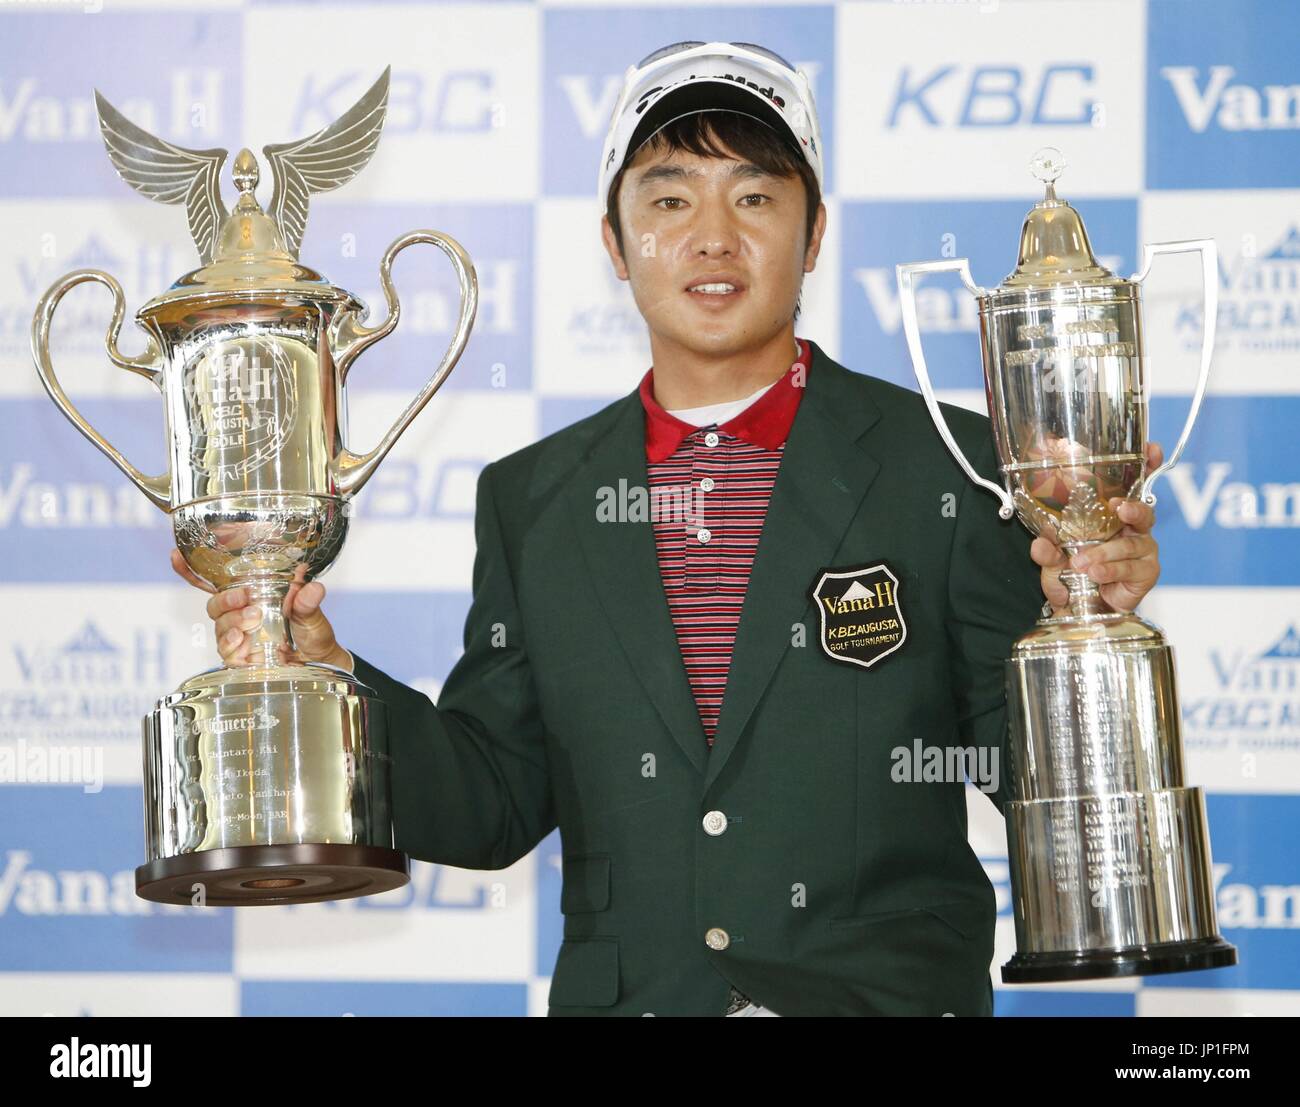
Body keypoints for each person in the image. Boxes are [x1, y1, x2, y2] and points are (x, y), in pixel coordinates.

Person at [171, 41, 1163, 1016]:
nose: (713, 236)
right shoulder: (534, 500)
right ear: (614, 241)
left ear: (814, 234)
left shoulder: (952, 464)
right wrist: (325, 674)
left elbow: (1026, 775)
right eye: (669, 198)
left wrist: (1080, 623)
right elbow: (493, 806)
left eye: (756, 195)